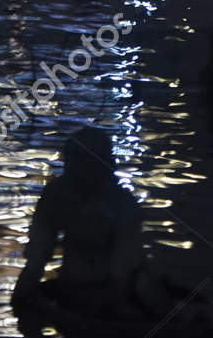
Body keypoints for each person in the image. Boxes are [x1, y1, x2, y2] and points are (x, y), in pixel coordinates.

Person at [13, 127, 172, 319]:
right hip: (76, 285)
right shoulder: (56, 196)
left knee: (142, 285)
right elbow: (37, 257)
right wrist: (18, 302)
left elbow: (124, 266)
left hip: (120, 290)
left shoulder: (121, 203)